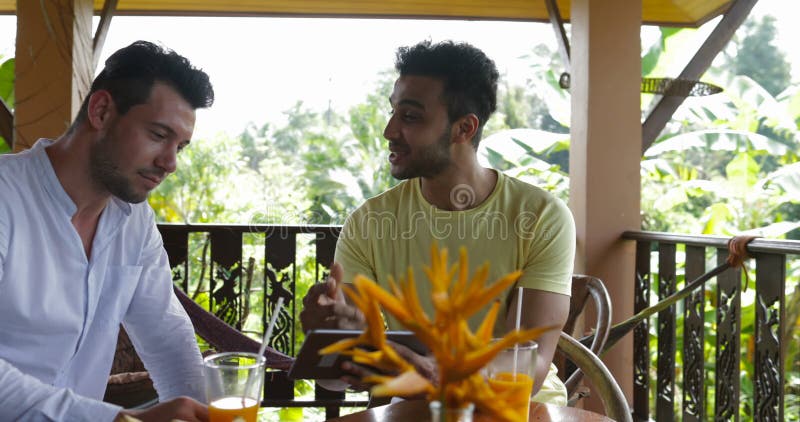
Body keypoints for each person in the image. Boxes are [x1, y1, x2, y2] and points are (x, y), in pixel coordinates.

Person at [300, 40, 575, 405]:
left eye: (410, 117)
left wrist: (434, 374)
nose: (389, 130)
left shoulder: (540, 216)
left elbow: (530, 366)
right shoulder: (369, 223)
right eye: (393, 112)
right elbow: (337, 380)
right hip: (417, 407)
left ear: (464, 128)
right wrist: (327, 341)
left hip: (520, 406)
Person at [0, 41, 214, 421]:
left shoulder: (134, 221)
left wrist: (204, 414)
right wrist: (117, 420)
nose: (170, 163)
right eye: (158, 135)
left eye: (180, 147)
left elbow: (167, 339)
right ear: (101, 111)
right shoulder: (6, 198)